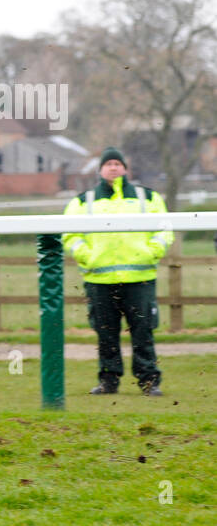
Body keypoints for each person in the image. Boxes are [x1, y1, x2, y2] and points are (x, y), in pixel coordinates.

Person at [62, 147, 172, 396]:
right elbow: (69, 235)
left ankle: (149, 381)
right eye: (108, 163)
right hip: (100, 279)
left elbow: (165, 228)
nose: (113, 167)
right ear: (100, 169)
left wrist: (152, 250)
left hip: (139, 277)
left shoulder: (149, 198)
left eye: (117, 163)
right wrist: (87, 257)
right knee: (106, 334)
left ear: (125, 168)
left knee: (143, 332)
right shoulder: (83, 201)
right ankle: (108, 381)